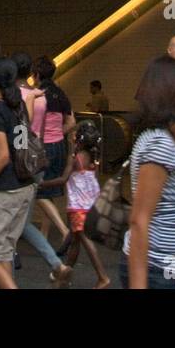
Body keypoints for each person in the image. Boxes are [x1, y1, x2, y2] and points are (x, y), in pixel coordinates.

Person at [124, 55, 175, 289]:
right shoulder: (159, 144)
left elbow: (172, 207)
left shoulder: (163, 138)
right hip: (157, 265)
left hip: (167, 264)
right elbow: (139, 220)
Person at [13, 52, 71, 284]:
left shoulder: (23, 96)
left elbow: (21, 128)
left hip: (27, 154)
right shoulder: (54, 96)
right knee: (44, 195)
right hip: (50, 149)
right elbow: (70, 121)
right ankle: (53, 253)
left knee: (36, 198)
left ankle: (61, 231)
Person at [0, 56, 35, 290]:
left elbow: (1, 157)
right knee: (5, 250)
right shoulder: (19, 107)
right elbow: (21, 146)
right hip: (24, 184)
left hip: (4, 190)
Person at [43, 121, 111, 288]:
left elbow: (63, 179)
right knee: (75, 241)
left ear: (78, 139)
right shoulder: (93, 156)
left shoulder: (75, 158)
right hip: (91, 205)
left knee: (83, 239)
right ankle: (65, 274)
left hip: (78, 207)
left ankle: (103, 277)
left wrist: (40, 185)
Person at [33, 56, 75, 244]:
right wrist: (58, 133)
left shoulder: (37, 94)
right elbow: (71, 122)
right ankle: (44, 235)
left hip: (44, 146)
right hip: (59, 145)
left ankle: (63, 230)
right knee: (50, 191)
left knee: (37, 190)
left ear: (36, 75)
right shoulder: (61, 93)